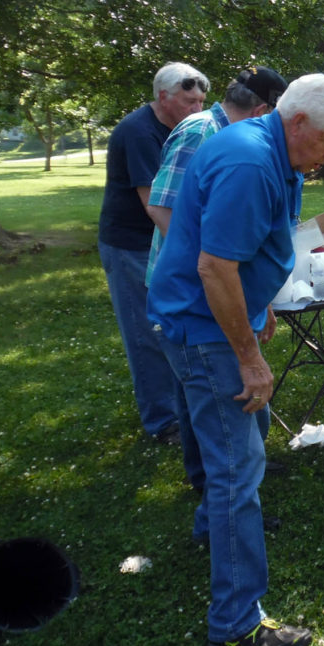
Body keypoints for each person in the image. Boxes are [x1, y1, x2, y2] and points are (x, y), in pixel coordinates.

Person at [147, 73, 324, 646]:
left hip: (208, 317)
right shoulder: (248, 162)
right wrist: (248, 356)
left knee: (242, 437)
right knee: (237, 470)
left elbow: (251, 251)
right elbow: (215, 268)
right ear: (298, 122)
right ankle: (236, 622)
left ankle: (210, 528)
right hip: (202, 329)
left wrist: (258, 308)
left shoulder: (273, 152)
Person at [145, 65, 289, 492]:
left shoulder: (241, 140)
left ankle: (219, 476)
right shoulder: (201, 131)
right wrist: (212, 270)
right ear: (262, 111)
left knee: (201, 392)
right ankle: (219, 482)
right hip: (190, 289)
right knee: (207, 385)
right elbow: (161, 207)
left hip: (215, 283)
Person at [98, 62, 208, 446]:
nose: (197, 109)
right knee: (145, 331)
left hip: (160, 241)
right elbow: (155, 205)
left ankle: (182, 407)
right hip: (130, 243)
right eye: (189, 101)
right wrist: (192, 256)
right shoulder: (138, 132)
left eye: (201, 101)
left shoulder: (183, 128)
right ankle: (163, 421)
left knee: (169, 325)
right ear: (163, 97)